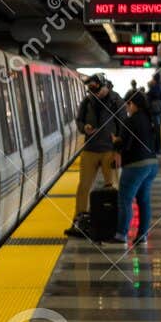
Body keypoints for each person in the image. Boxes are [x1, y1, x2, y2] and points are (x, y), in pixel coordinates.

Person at [66, 75, 123, 237]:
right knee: (83, 187)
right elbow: (79, 121)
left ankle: (114, 223)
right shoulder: (87, 101)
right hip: (90, 149)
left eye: (97, 90)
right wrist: (85, 128)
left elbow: (123, 125)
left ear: (105, 86)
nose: (95, 94)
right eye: (92, 91)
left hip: (109, 150)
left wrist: (118, 151)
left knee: (112, 187)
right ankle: (80, 222)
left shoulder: (116, 100)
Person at [113, 88, 161, 245]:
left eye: (128, 105)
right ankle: (142, 236)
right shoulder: (150, 119)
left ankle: (121, 235)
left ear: (132, 103)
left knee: (125, 199)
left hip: (136, 165)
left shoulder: (131, 120)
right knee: (144, 200)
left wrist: (115, 141)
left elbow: (125, 145)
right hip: (152, 164)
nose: (127, 108)